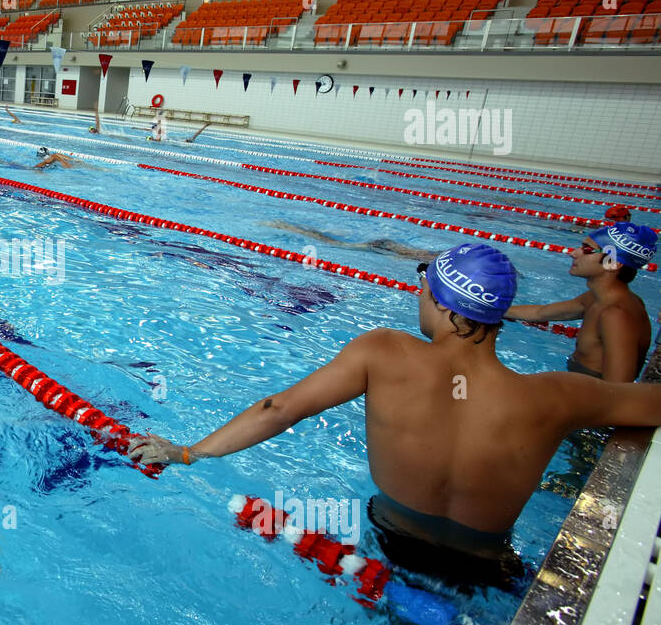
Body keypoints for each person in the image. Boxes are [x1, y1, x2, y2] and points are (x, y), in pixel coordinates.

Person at [128, 243, 661, 584]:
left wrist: (188, 452)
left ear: (446, 305)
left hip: (393, 545)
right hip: (488, 567)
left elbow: (279, 408)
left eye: (424, 289)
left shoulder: (383, 353)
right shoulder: (559, 396)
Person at [504, 222, 657, 381]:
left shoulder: (616, 315)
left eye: (587, 249)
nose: (573, 253)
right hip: (578, 389)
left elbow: (618, 390)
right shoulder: (595, 298)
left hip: (590, 401)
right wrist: (486, 308)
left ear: (612, 262)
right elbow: (540, 313)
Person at [265, 221, 438, 262]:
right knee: (333, 243)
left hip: (381, 246)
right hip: (379, 246)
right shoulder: (429, 258)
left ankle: (287, 226)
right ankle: (287, 226)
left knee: (331, 241)